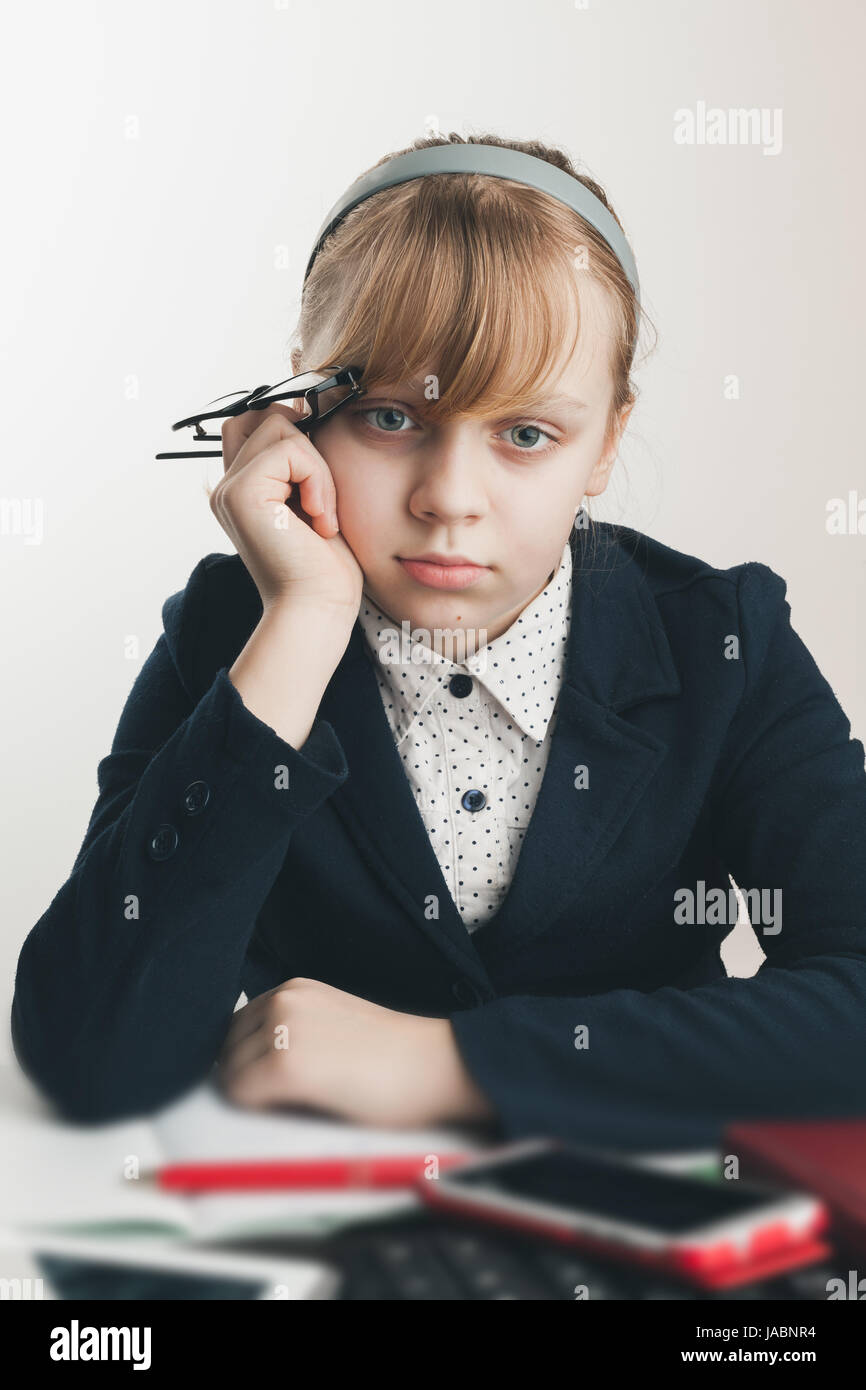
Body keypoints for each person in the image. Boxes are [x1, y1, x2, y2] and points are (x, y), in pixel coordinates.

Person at [11, 133, 866, 1166]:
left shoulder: (724, 642)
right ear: (296, 411)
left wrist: (440, 1060)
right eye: (387, 417)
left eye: (524, 435)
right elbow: (91, 1055)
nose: (448, 500)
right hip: (321, 1234)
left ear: (605, 442)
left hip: (659, 1219)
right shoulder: (231, 631)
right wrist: (302, 624)